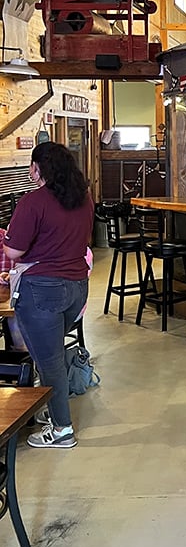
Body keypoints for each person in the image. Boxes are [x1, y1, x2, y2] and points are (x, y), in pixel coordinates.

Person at [4, 142, 94, 449]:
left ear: (37, 168)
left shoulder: (32, 202)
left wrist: (9, 240)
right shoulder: (83, 198)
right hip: (77, 287)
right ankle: (53, 409)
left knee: (50, 360)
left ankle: (62, 429)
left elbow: (14, 251)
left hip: (42, 290)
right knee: (50, 354)